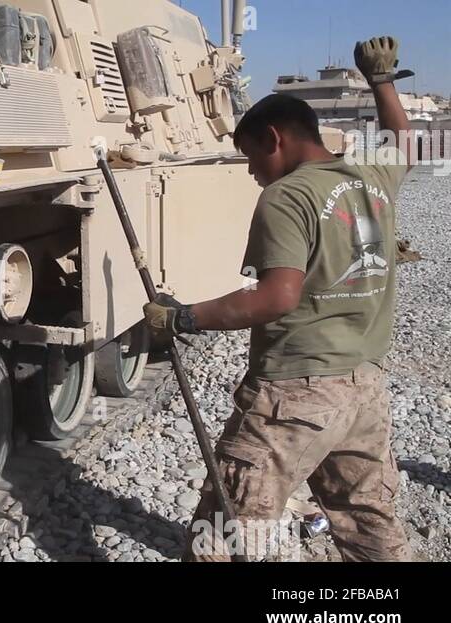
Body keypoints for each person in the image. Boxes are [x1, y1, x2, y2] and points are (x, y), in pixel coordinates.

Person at [142, 37, 415, 562]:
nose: (250, 171)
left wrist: (182, 319)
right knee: (369, 524)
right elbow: (403, 141)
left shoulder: (287, 196)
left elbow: (277, 297)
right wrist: (381, 80)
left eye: (250, 156)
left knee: (223, 532)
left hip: (295, 395)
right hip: (364, 387)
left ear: (274, 139)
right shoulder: (370, 177)